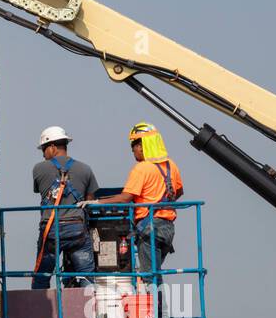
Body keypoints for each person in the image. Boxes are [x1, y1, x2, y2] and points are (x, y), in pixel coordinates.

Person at [86, 122, 184, 280]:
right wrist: (161, 203)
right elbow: (178, 191)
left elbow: (126, 197)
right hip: (168, 228)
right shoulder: (170, 165)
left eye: (134, 144)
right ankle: (157, 302)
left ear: (143, 145)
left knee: (149, 276)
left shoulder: (142, 168)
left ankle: (155, 304)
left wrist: (97, 203)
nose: (133, 149)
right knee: (154, 272)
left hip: (150, 228)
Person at [31, 125, 99, 289]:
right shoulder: (85, 169)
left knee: (41, 277)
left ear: (53, 147)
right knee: (86, 276)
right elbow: (90, 200)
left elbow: (39, 190)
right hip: (77, 231)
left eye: (44, 149)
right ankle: (89, 311)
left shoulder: (39, 169)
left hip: (51, 231)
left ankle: (39, 312)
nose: (43, 153)